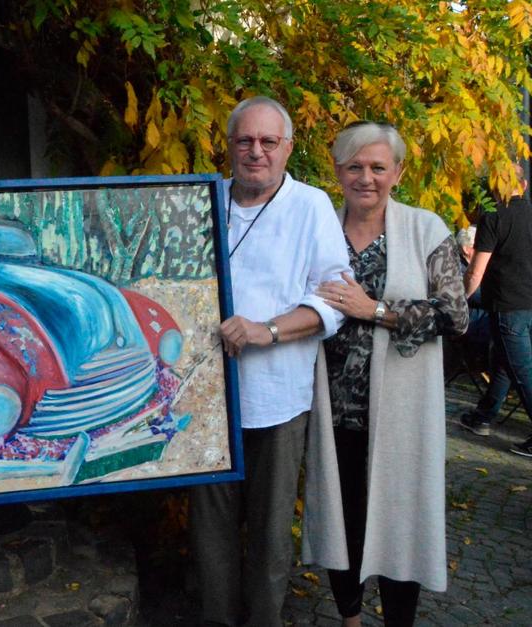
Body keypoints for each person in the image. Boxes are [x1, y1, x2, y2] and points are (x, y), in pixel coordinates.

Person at [188, 96, 351, 627]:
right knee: (209, 527)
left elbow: (335, 301)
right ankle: (218, 620)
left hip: (278, 396)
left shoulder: (311, 207)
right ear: (230, 145)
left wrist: (268, 329)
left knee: (270, 528)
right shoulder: (199, 201)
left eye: (268, 142)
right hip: (208, 397)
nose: (255, 151)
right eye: (245, 140)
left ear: (287, 148)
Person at [304, 122, 468, 626]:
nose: (366, 177)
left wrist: (374, 309)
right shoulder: (318, 229)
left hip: (400, 411)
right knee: (341, 520)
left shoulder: (426, 229)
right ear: (337, 172)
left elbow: (455, 315)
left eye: (378, 167)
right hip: (331, 409)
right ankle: (350, 620)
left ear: (397, 171)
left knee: (400, 521)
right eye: (354, 166)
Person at [460, 192, 532, 454]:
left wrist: (460, 299)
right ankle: (483, 417)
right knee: (505, 364)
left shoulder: (494, 215)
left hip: (508, 304)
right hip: (527, 303)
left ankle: (485, 418)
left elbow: (476, 270)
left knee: (522, 373)